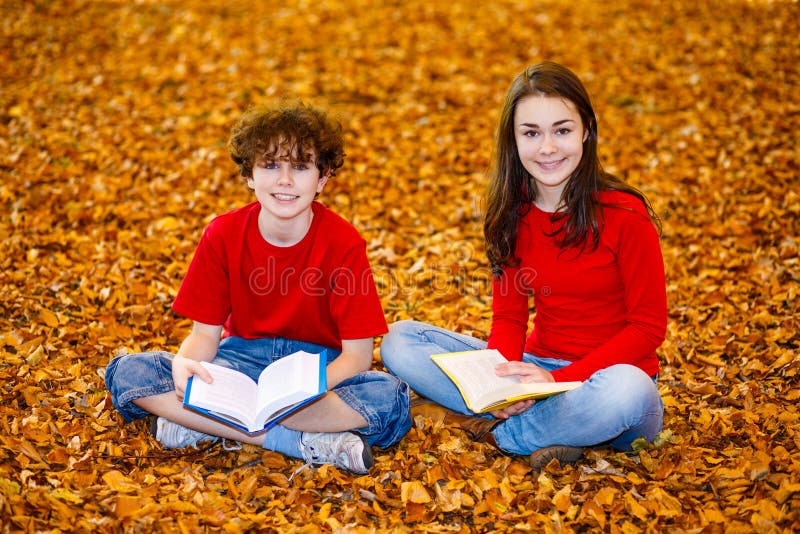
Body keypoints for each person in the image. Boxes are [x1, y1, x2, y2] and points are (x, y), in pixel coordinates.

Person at [380, 61, 667, 470]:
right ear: (513, 140)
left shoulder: (625, 214)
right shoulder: (511, 213)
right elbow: (510, 318)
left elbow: (648, 327)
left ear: (587, 130)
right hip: (536, 369)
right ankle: (543, 428)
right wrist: (502, 387)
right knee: (400, 340)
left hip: (608, 381)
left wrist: (563, 380)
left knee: (629, 391)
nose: (547, 148)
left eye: (562, 130)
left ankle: (501, 433)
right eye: (531, 133)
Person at [105, 102, 411, 474]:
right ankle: (302, 443)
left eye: (300, 167)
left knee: (389, 398)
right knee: (129, 371)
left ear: (323, 178)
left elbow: (357, 358)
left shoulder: (343, 243)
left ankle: (205, 427)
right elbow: (204, 336)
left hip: (315, 372)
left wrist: (304, 390)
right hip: (238, 362)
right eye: (270, 165)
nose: (285, 180)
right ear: (249, 174)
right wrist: (187, 363)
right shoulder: (222, 235)